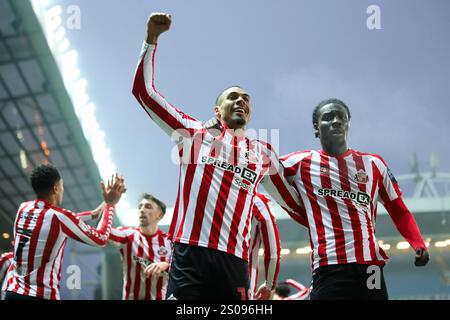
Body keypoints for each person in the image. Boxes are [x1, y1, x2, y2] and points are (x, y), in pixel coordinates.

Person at [132, 12, 304, 300]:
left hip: (234, 262)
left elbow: (295, 206)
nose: (241, 101)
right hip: (190, 255)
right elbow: (143, 93)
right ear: (217, 110)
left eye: (246, 99)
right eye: (233, 97)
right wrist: (151, 40)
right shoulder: (193, 135)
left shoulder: (262, 153)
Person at [280, 99, 429, 300]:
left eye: (342, 117)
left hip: (370, 267)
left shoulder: (373, 164)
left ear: (348, 124)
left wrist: (418, 243)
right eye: (328, 117)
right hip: (329, 266)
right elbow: (263, 168)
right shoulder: (300, 163)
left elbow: (398, 210)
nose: (336, 121)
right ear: (316, 128)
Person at [4, 164, 126, 300]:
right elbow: (101, 238)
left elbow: (62, 221)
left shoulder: (24, 208)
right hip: (40, 295)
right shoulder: (60, 218)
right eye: (62, 186)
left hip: (12, 293)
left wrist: (100, 207)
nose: (63, 190)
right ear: (56, 188)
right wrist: (110, 205)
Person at [107, 193, 172, 300]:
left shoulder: (169, 242)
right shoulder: (127, 235)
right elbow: (102, 233)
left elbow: (184, 270)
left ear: (160, 215)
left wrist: (166, 265)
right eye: (140, 207)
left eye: (148, 207)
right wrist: (108, 203)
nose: (142, 210)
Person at [248, 193, 281, 300]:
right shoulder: (258, 201)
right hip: (243, 279)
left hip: (203, 273)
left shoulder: (214, 190)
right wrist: (269, 285)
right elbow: (273, 253)